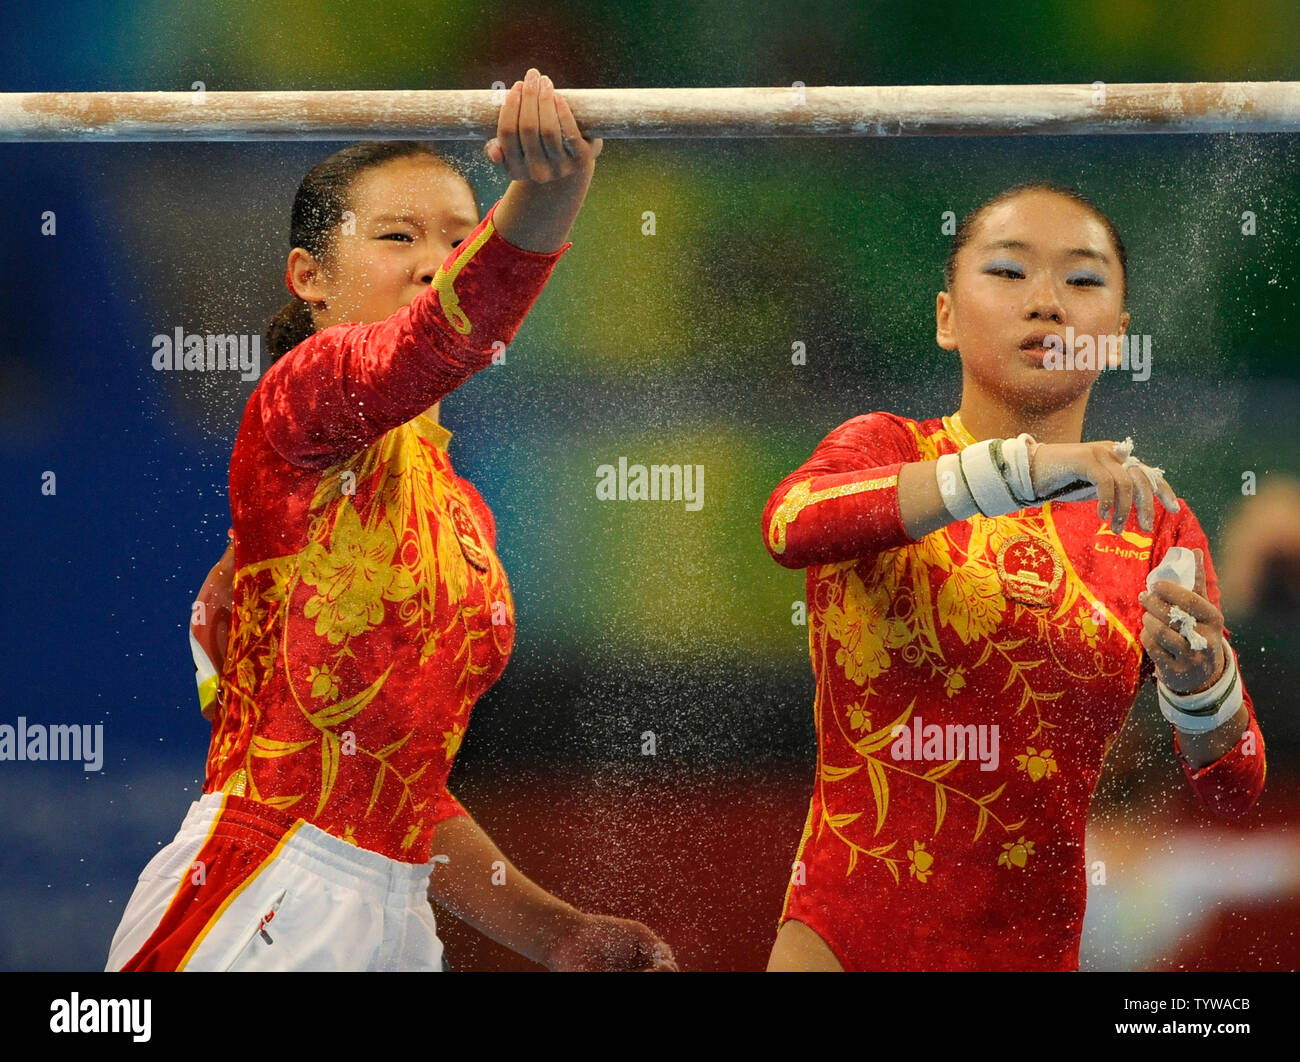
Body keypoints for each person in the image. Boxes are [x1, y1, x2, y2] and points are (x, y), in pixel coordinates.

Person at [108, 68, 676, 972]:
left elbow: (401, 784)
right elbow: (436, 340)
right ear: (310, 280)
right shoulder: (295, 414)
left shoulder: (462, 513)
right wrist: (555, 186)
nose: (434, 261)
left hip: (395, 909)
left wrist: (559, 934)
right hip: (257, 888)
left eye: (462, 238)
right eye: (397, 236)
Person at [760, 181, 1266, 972]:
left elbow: (1233, 788)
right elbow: (791, 524)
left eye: (1084, 280)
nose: (1048, 303)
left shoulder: (1151, 521)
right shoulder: (887, 450)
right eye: (1007, 272)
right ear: (946, 318)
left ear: (1118, 336)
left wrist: (1204, 685)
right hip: (843, 944)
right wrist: (1025, 470)